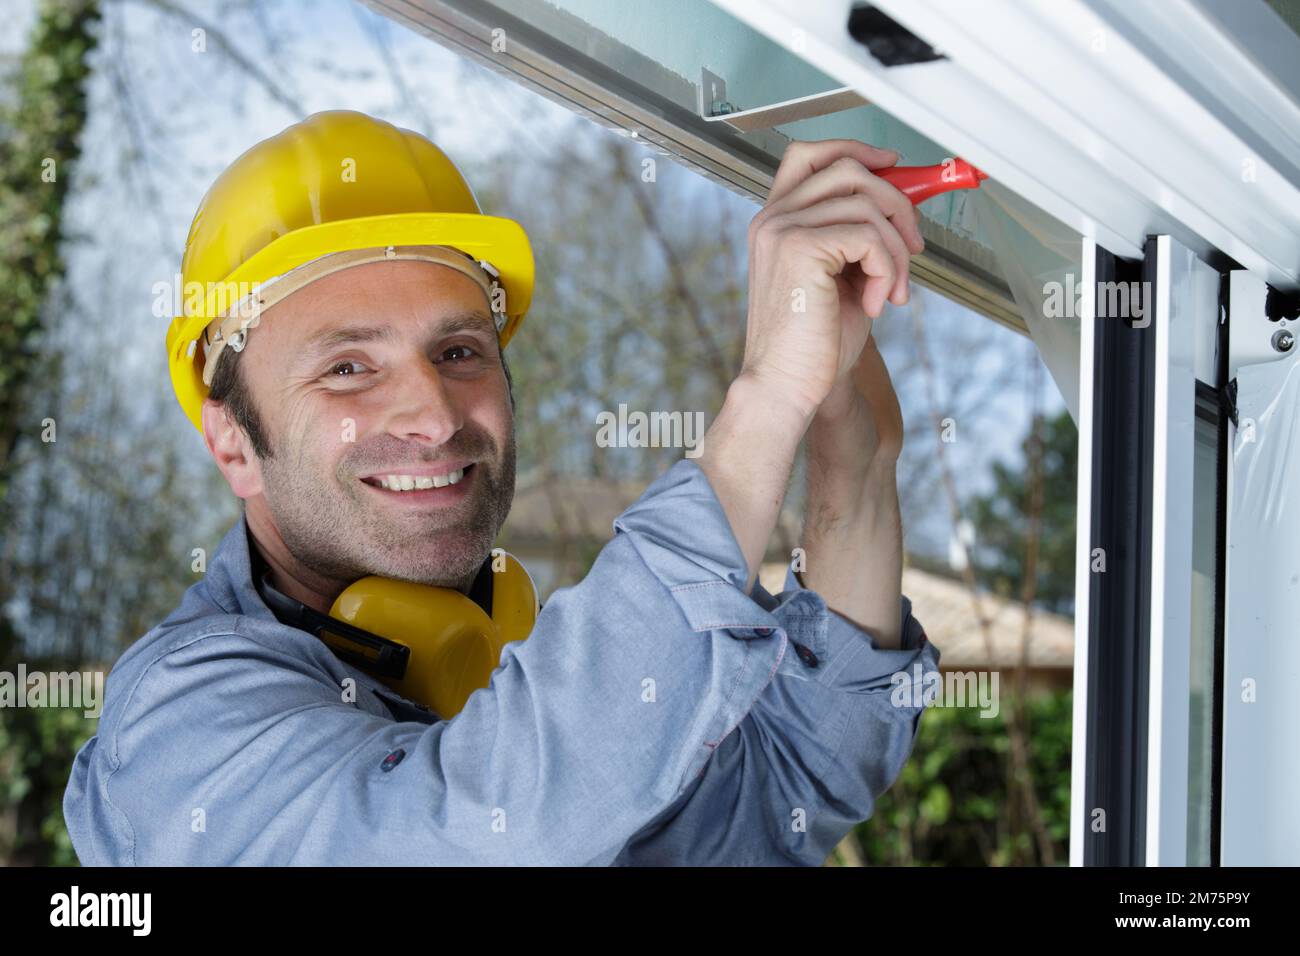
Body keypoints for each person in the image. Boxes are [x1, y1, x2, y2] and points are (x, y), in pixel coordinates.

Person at [63, 110, 940, 865]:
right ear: (234, 446)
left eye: (457, 352)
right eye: (347, 367)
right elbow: (478, 836)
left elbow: (787, 784)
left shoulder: (509, 684)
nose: (434, 416)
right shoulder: (181, 722)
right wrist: (764, 398)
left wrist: (848, 446)